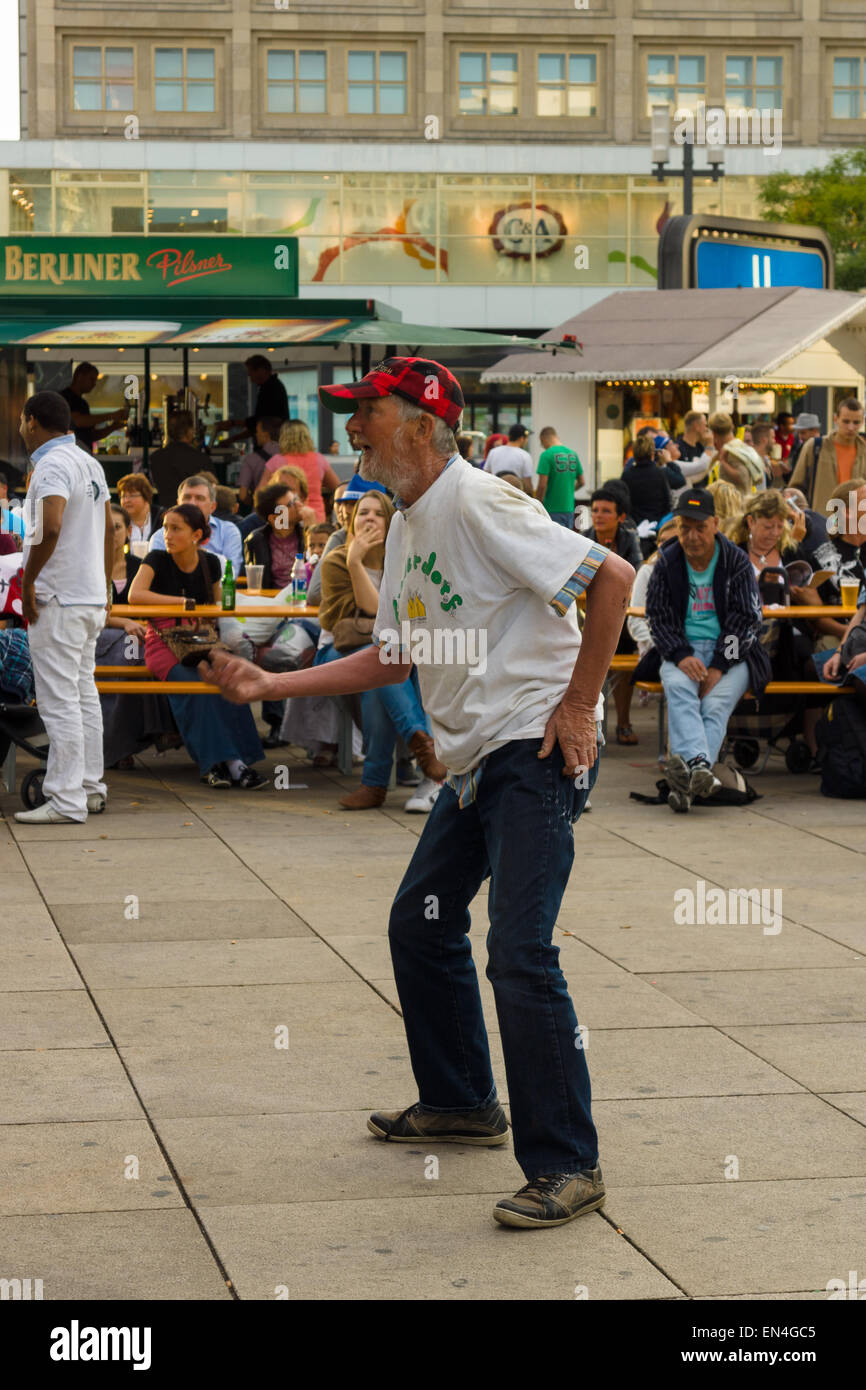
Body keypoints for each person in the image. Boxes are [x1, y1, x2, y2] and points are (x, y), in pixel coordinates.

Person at [205, 353, 634, 1229]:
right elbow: (396, 655)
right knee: (421, 920)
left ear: (424, 428)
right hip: (477, 760)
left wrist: (582, 706)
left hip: (533, 748)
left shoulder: (480, 501)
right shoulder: (403, 524)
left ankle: (568, 1163)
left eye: (369, 412)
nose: (353, 429)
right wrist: (269, 687)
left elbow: (615, 582)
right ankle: (463, 1100)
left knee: (520, 954)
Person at [316, 487, 447, 812]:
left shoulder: (404, 559)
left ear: (391, 522)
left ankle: (376, 784)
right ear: (351, 521)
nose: (370, 518)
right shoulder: (336, 560)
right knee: (381, 668)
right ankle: (423, 748)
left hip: (391, 652)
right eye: (363, 513)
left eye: (378, 513)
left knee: (383, 673)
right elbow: (374, 610)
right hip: (338, 650)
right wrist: (355, 561)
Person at [15, 390, 111, 824]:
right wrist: (105, 584)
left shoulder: (51, 464)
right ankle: (89, 788)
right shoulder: (89, 461)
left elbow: (50, 526)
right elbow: (109, 528)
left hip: (59, 597)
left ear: (32, 421)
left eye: (21, 421)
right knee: (83, 695)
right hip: (89, 596)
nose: (20, 429)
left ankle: (66, 800)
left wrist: (28, 580)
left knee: (59, 702)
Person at [643, 488, 770, 812]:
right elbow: (658, 617)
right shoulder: (667, 561)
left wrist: (718, 665)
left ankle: (685, 783)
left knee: (714, 704)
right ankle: (700, 772)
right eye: (685, 527)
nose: (692, 535)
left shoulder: (736, 561)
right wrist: (682, 655)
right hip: (681, 651)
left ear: (716, 524)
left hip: (732, 653)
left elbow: (747, 620)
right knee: (678, 689)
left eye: (700, 527)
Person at [129, 503, 266, 789]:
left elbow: (216, 608)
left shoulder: (211, 563)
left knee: (231, 679)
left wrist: (212, 630)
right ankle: (221, 763)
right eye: (165, 527)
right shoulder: (156, 559)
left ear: (197, 535)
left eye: (176, 528)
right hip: (162, 643)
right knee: (198, 686)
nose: (167, 534)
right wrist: (182, 604)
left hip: (200, 639)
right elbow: (135, 596)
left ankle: (238, 760)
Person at [95, 504, 178, 770]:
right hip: (100, 634)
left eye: (117, 528)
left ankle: (133, 739)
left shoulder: (141, 567)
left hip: (138, 634)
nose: (111, 534)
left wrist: (138, 625)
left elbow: (153, 609)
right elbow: (87, 612)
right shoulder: (90, 567)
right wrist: (124, 622)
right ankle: (149, 732)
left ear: (129, 531)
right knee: (133, 661)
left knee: (147, 659)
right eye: (106, 529)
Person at [580, 486, 642, 744]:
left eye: (606, 511)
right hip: (588, 613)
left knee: (625, 646)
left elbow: (635, 576)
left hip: (622, 615)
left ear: (620, 517)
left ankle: (624, 721)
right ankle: (590, 724)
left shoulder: (629, 541)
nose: (598, 515)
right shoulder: (583, 539)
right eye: (595, 510)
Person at [148, 475, 243, 575]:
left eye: (199, 498)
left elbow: (231, 575)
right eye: (187, 497)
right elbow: (158, 577)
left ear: (212, 506)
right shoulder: (161, 536)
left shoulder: (228, 531)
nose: (192, 503)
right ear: (178, 504)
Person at [790, 397, 866, 513]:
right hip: (822, 520)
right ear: (836, 419)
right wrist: (805, 515)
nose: (851, 427)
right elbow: (795, 488)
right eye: (846, 421)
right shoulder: (815, 447)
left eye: (856, 422)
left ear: (862, 422)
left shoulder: (863, 451)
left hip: (855, 523)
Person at [264, 419, 340, 522]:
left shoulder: (277, 461)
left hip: (286, 519)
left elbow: (261, 492)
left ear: (283, 438)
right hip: (315, 518)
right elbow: (338, 488)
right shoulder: (319, 459)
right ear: (307, 437)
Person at [243, 484, 306, 590]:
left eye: (296, 499)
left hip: (304, 598)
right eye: (290, 504)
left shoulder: (307, 534)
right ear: (274, 518)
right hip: (271, 601)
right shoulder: (256, 540)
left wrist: (312, 527)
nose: (298, 505)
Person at [214, 355, 290, 444]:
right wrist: (233, 437)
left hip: (271, 446)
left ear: (261, 370)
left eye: (251, 374)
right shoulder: (271, 387)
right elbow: (258, 425)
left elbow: (261, 423)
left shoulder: (271, 389)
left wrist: (233, 423)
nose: (251, 379)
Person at [59, 363, 128, 455]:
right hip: (69, 455)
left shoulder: (83, 403)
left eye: (95, 380)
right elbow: (77, 420)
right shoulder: (65, 398)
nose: (94, 384)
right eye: (91, 379)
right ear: (79, 377)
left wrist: (113, 427)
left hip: (82, 454)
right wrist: (112, 415)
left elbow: (91, 435)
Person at [146, 411, 206, 507]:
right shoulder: (199, 458)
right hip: (191, 512)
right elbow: (212, 486)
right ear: (189, 431)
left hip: (166, 510)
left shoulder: (156, 457)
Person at [620, 434, 672, 531]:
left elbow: (623, 502)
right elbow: (667, 502)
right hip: (656, 524)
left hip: (633, 526)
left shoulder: (627, 475)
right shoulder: (660, 473)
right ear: (652, 453)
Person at [535, 426, 584, 528]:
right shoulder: (573, 454)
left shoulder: (546, 455)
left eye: (541, 443)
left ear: (543, 439)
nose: (542, 446)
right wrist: (569, 490)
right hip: (569, 509)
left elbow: (542, 485)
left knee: (552, 542)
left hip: (551, 510)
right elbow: (582, 482)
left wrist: (537, 505)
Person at [237, 416, 283, 506]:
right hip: (285, 513)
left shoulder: (251, 459)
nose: (256, 434)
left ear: (266, 434)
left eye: (257, 431)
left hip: (260, 514)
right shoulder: (290, 457)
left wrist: (255, 504)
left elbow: (242, 495)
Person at [483, 423, 534, 492]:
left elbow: (486, 475)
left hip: (496, 494)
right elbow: (528, 484)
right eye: (526, 438)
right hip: (516, 495)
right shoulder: (525, 455)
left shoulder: (493, 452)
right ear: (522, 438)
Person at [117, 472, 163, 545]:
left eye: (132, 495)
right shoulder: (118, 523)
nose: (126, 500)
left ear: (146, 497)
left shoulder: (162, 518)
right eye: (123, 496)